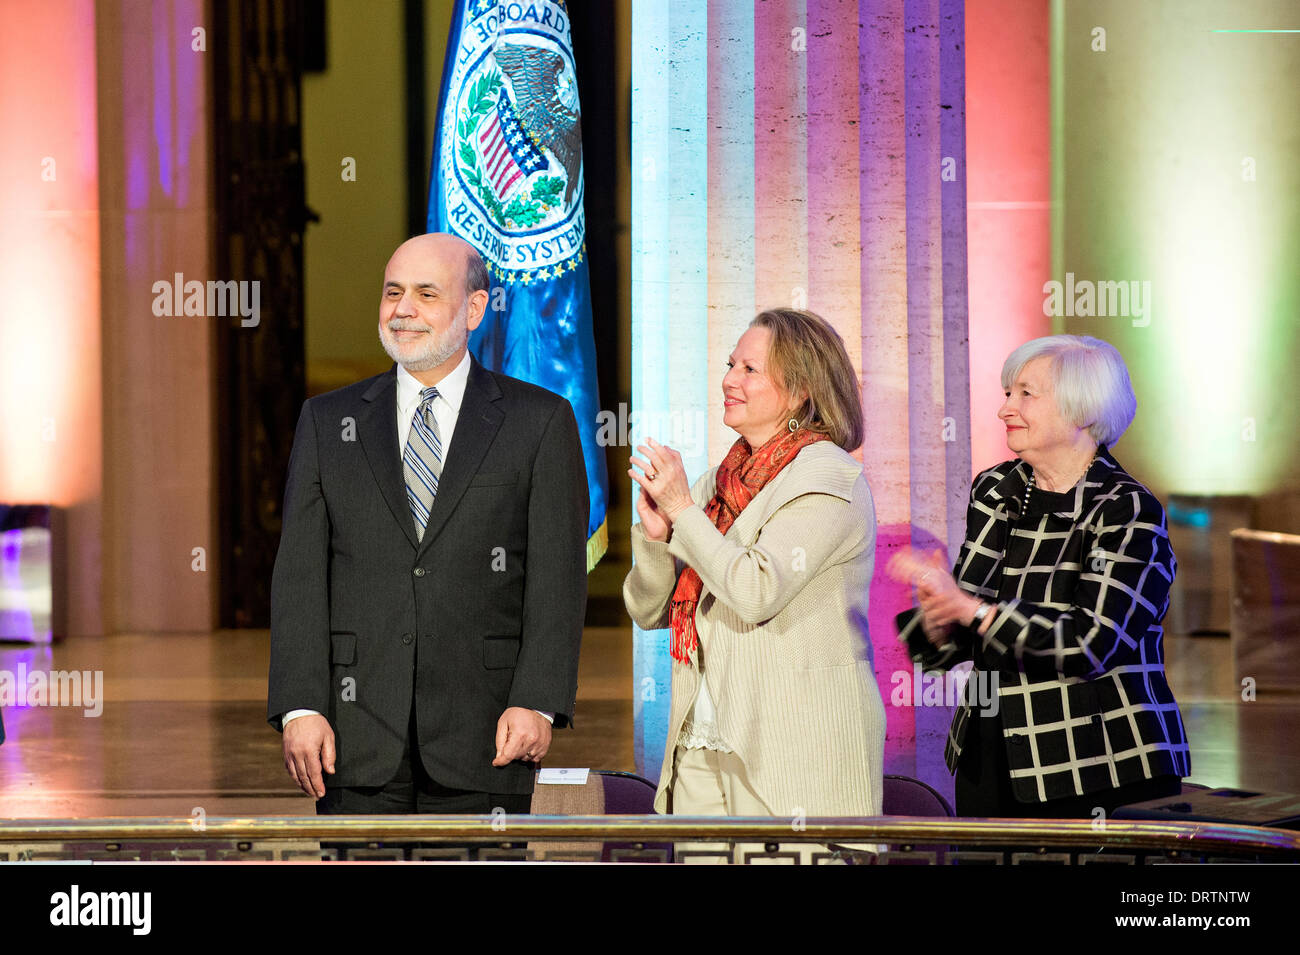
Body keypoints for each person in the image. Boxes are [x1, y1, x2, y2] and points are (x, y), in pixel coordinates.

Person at [267, 233, 588, 842]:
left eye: (425, 293)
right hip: (352, 737)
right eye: (392, 292)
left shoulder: (539, 422)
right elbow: (300, 577)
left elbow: (558, 576)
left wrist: (539, 701)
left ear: (472, 310)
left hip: (488, 732)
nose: (402, 308)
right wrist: (301, 706)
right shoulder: (327, 421)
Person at [623, 308, 885, 862]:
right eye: (729, 364)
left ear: (801, 392)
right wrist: (654, 537)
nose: (728, 380)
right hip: (703, 741)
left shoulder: (828, 480)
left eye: (749, 369)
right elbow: (648, 611)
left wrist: (681, 512)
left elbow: (755, 590)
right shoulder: (713, 485)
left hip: (792, 750)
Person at [888, 334, 1189, 817]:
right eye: (1008, 393)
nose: (1006, 409)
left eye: (1026, 394)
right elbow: (974, 626)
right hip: (989, 753)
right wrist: (939, 615)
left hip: (1098, 762)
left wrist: (973, 609)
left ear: (1083, 411)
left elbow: (1090, 643)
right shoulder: (995, 490)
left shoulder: (1126, 509)